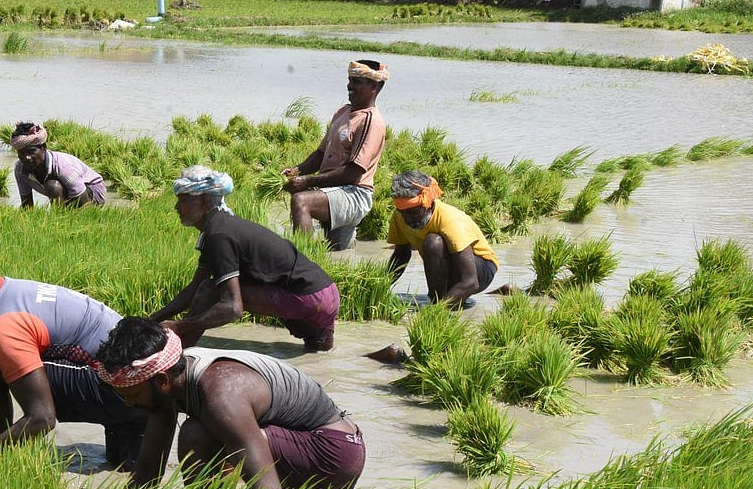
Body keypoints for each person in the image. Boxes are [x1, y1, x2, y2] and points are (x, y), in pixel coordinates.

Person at [0, 224, 145, 465]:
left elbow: (43, 418)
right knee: (123, 467)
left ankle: (4, 457)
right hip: (139, 388)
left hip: (119, 389)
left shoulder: (6, 323)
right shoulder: (14, 291)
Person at [95, 317, 365, 489]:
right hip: (297, 442)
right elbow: (147, 470)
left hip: (333, 451)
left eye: (131, 395)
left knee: (195, 434)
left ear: (162, 380)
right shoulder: (169, 383)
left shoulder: (220, 395)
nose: (128, 404)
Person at [150, 165, 341, 352]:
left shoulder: (218, 234)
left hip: (308, 298)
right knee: (318, 357)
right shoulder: (220, 227)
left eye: (183, 200)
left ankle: (180, 350)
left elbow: (232, 308)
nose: (177, 206)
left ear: (205, 202)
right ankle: (181, 345)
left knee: (209, 290)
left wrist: (181, 326)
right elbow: (192, 290)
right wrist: (151, 321)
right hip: (327, 294)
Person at [281, 59, 388, 251]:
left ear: (373, 86)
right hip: (334, 190)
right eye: (349, 80)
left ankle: (303, 264)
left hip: (355, 194)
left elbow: (353, 174)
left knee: (301, 201)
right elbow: (321, 153)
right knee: (338, 250)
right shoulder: (343, 112)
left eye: (356, 82)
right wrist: (297, 170)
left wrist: (305, 182)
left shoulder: (371, 121)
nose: (349, 86)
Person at [385, 170, 499, 308]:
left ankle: (438, 303)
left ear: (427, 203)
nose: (408, 219)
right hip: (451, 267)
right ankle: (436, 299)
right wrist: (379, 286)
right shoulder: (399, 217)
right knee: (432, 245)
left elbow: (470, 281)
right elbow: (401, 256)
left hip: (480, 270)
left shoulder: (449, 219)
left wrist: (436, 312)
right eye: (403, 213)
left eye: (413, 213)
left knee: (433, 242)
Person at [10, 122, 107, 208]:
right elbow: (27, 205)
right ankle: (59, 217)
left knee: (53, 186)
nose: (27, 157)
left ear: (43, 148)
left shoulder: (63, 166)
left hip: (92, 191)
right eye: (22, 153)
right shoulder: (20, 169)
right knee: (53, 188)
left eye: (31, 151)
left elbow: (85, 205)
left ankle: (62, 218)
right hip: (71, 193)